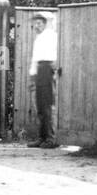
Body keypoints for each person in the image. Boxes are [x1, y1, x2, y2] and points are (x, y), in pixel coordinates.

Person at [27, 11, 58, 148]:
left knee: (46, 105)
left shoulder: (52, 36)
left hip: (47, 69)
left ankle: (50, 139)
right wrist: (32, 76)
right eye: (35, 24)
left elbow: (55, 57)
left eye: (39, 23)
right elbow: (35, 59)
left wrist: (53, 71)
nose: (36, 26)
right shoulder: (38, 38)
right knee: (39, 105)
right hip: (40, 70)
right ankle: (42, 137)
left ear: (46, 23)